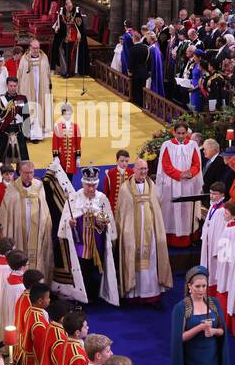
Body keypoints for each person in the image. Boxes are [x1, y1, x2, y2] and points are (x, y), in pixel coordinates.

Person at [57, 167, 119, 306]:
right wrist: (70, 224)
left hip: (97, 245)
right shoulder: (74, 198)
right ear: (83, 183)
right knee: (82, 270)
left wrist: (103, 222)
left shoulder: (102, 198)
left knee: (95, 270)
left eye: (94, 185)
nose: (91, 189)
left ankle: (94, 295)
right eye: (88, 185)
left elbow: (108, 221)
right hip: (81, 243)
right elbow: (65, 221)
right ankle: (81, 298)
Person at [116, 159, 173, 304]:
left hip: (150, 232)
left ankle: (152, 294)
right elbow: (122, 212)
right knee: (133, 259)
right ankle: (133, 293)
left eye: (146, 169)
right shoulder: (125, 188)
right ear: (133, 169)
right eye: (141, 169)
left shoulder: (151, 186)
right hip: (133, 234)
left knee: (152, 260)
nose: (144, 172)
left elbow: (157, 207)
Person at [0, 160, 54, 275]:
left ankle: (36, 277)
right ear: (19, 172)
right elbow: (6, 212)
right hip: (19, 228)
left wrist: (45, 224)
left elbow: (44, 208)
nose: (29, 176)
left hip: (36, 227)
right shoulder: (12, 188)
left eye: (31, 172)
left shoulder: (39, 186)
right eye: (26, 173)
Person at [156, 122, 202, 248]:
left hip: (188, 184)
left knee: (186, 210)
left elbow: (197, 164)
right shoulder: (167, 145)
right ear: (174, 132)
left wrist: (190, 173)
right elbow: (165, 165)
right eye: (179, 133)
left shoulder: (193, 145)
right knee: (171, 210)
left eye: (183, 133)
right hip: (172, 184)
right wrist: (179, 174)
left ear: (187, 133)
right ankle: (171, 239)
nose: (181, 136)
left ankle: (187, 238)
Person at [17, 39, 54, 140]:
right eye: (34, 48)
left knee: (40, 107)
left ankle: (39, 132)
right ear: (30, 48)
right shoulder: (24, 59)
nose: (36, 50)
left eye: (37, 48)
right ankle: (29, 132)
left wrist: (49, 86)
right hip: (28, 89)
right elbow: (20, 75)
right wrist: (19, 88)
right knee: (30, 108)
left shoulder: (44, 58)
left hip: (41, 88)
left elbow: (47, 73)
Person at [0, 77, 30, 167]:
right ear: (7, 85)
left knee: (22, 162)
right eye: (11, 85)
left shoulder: (22, 98)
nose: (13, 88)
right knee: (5, 163)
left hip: (19, 131)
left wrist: (27, 134)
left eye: (14, 86)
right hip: (4, 132)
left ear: (17, 85)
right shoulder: (0, 99)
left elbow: (26, 117)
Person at [51, 103, 81, 176]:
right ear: (62, 115)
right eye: (65, 114)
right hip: (61, 156)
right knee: (61, 176)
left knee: (70, 176)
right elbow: (55, 142)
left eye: (69, 114)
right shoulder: (57, 127)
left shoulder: (76, 126)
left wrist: (78, 157)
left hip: (72, 157)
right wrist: (55, 157)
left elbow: (78, 143)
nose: (67, 116)